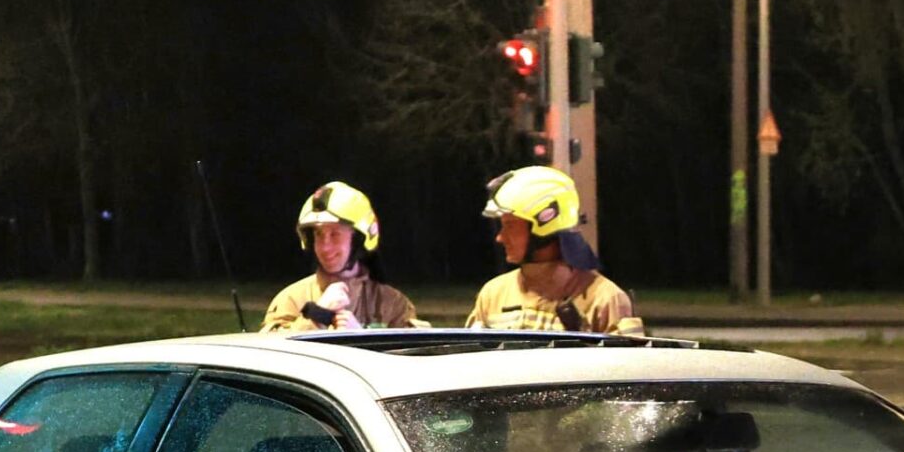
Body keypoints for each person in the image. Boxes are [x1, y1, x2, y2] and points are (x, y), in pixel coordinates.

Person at [467, 166, 646, 335]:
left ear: (544, 225)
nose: (500, 237)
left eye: (510, 226)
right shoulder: (493, 294)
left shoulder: (605, 300)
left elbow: (630, 365)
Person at [260, 182, 423, 332]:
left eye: (335, 234)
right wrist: (316, 316)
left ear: (358, 240)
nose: (325, 247)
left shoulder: (393, 305)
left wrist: (362, 339)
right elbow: (270, 356)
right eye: (318, 234)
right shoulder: (290, 301)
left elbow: (412, 359)